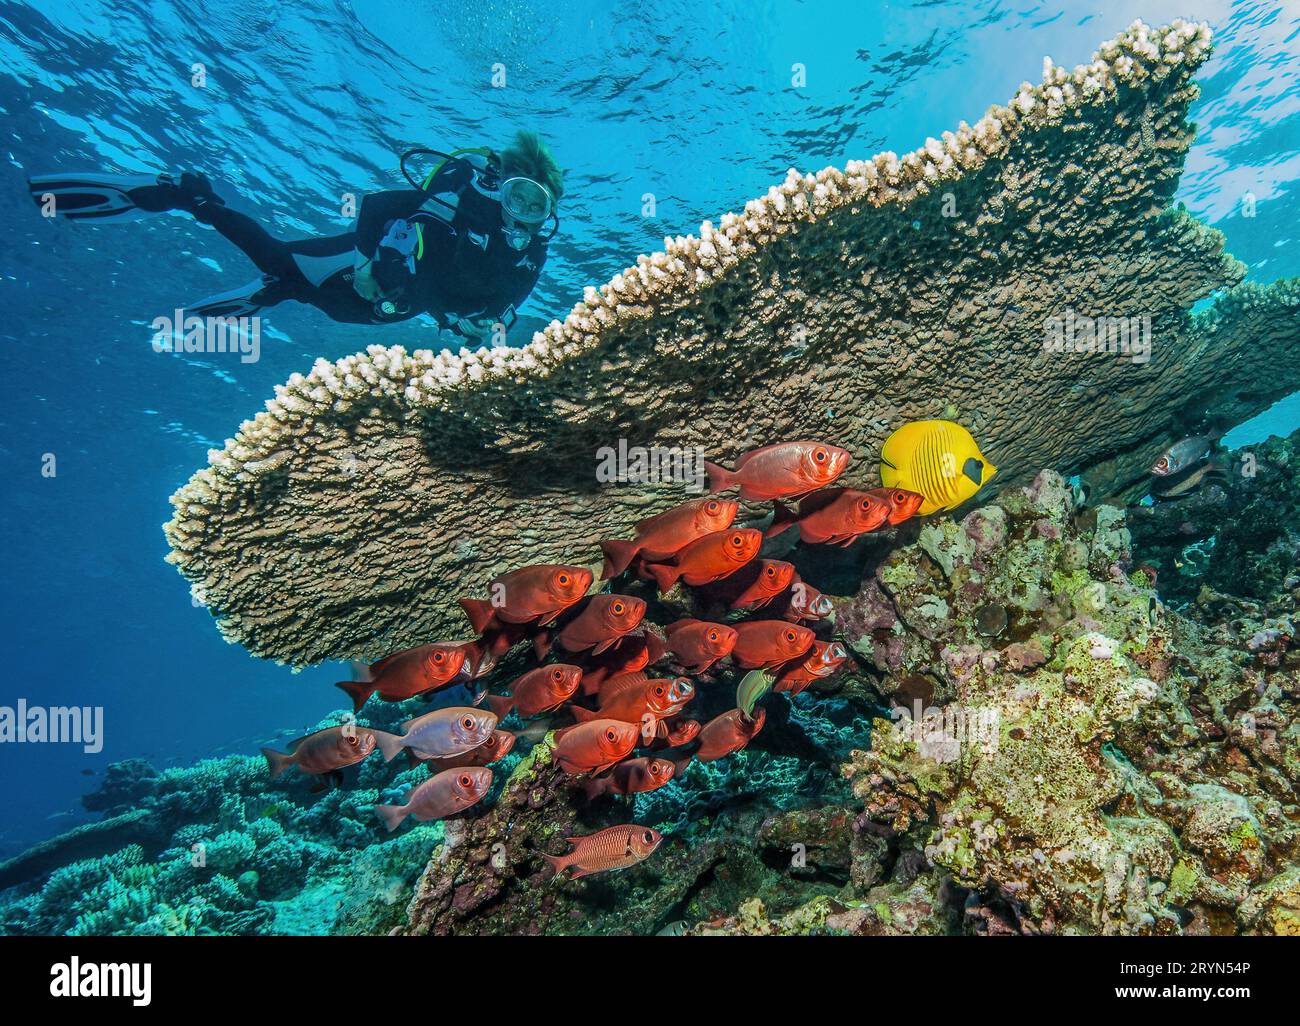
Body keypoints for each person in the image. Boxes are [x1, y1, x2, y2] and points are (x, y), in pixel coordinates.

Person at [27, 131, 563, 337]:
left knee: (337, 310)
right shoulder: (461, 198)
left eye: (535, 205)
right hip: (367, 266)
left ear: (547, 213)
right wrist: (383, 261)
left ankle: (275, 293)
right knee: (282, 261)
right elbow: (388, 212)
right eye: (517, 193)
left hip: (397, 307)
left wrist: (483, 328)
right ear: (500, 186)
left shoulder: (528, 256)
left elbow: (497, 312)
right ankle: (187, 195)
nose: (521, 209)